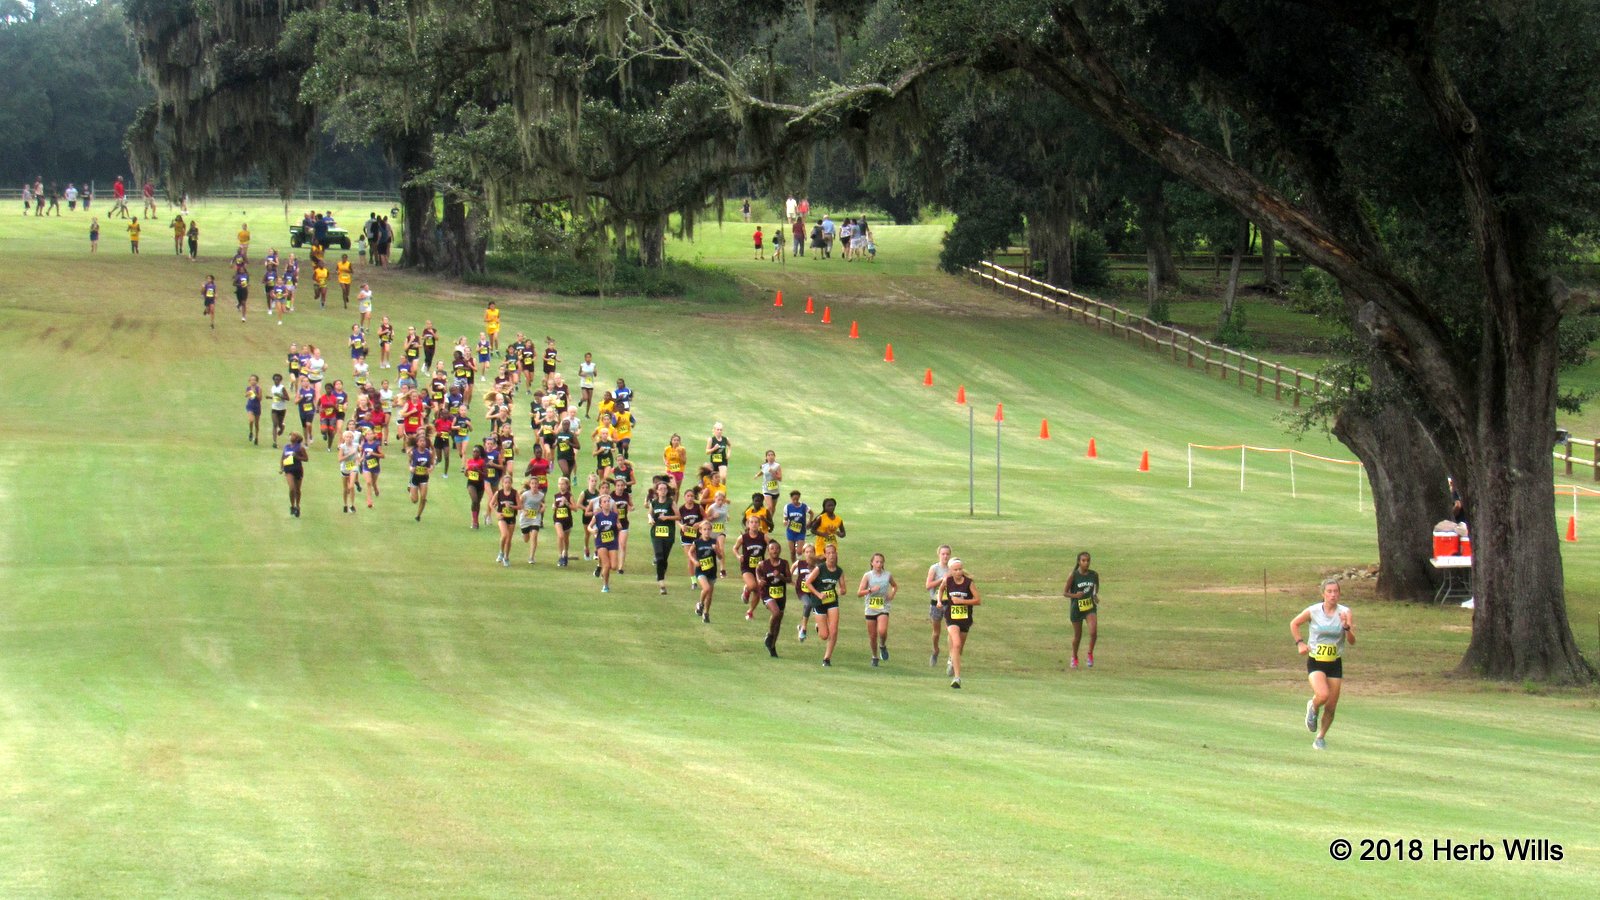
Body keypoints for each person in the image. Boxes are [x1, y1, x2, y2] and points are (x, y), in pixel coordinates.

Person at [1291, 578, 1356, 751]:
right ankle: (1313, 705)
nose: (1333, 595)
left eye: (1336, 591)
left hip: (1335, 662)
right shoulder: (1313, 611)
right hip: (1316, 660)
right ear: (1323, 594)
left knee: (1331, 706)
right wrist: (1300, 643)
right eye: (1329, 592)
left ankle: (1320, 737)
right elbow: (1294, 623)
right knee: (1323, 694)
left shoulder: (1345, 612)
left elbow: (1352, 641)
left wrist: (1346, 627)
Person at [937, 558, 982, 688]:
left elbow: (978, 600)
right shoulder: (948, 581)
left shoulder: (968, 583)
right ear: (950, 570)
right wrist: (939, 601)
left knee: (959, 648)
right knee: (956, 644)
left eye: (960, 569)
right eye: (955, 570)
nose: (958, 572)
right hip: (951, 617)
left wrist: (962, 601)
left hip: (965, 619)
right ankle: (957, 678)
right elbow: (940, 590)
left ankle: (952, 660)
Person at [805, 542, 845, 666]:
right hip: (818, 602)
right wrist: (818, 594)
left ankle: (826, 659)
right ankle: (819, 627)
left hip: (832, 601)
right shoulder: (820, 568)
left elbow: (843, 588)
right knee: (824, 635)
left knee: (834, 631)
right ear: (825, 555)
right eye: (829, 553)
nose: (831, 555)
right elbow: (808, 583)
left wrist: (842, 590)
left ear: (836, 554)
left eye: (833, 553)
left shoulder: (839, 571)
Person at [858, 552, 897, 666]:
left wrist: (892, 595)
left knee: (882, 630)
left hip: (883, 607)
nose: (879, 564)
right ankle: (874, 656)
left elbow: (895, 586)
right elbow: (859, 593)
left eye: (881, 562)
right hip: (870, 608)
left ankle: (882, 645)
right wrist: (870, 590)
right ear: (872, 563)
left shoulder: (887, 575)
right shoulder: (868, 576)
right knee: (873, 636)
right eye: (877, 562)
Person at [1063, 551, 1100, 669]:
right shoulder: (1073, 575)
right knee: (1077, 636)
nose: (1086, 563)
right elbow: (1065, 593)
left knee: (1093, 632)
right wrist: (1075, 596)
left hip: (1089, 608)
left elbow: (1095, 588)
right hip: (1076, 609)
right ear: (1079, 562)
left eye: (1088, 560)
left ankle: (1090, 654)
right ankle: (1074, 656)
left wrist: (1095, 596)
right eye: (1083, 561)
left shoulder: (1094, 575)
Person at [756, 542, 790, 657]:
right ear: (768, 551)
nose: (774, 550)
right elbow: (757, 570)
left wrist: (780, 576)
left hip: (780, 595)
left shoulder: (784, 564)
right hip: (767, 593)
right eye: (772, 548)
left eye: (777, 548)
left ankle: (772, 646)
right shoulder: (763, 564)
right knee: (775, 612)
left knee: (778, 621)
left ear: (780, 550)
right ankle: (770, 635)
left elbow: (789, 579)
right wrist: (759, 580)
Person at [735, 516, 770, 620]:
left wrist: (767, 559)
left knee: (758, 590)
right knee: (752, 585)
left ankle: (750, 611)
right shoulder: (743, 537)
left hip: (759, 568)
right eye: (752, 522)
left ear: (759, 524)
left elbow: (772, 546)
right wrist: (738, 556)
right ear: (748, 524)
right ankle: (746, 589)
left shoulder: (763, 537)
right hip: (747, 567)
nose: (754, 524)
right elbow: (735, 548)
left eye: (756, 522)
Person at [647, 480, 678, 595]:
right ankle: (662, 584)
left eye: (665, 489)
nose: (663, 491)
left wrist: (667, 518)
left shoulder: (671, 502)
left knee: (664, 558)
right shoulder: (654, 503)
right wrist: (650, 519)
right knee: (659, 557)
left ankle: (660, 573)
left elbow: (678, 516)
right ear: (657, 491)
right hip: (656, 533)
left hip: (668, 534)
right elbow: (650, 513)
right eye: (660, 489)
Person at [925, 544, 952, 667]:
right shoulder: (934, 568)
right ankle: (935, 650)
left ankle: (951, 657)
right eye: (943, 554)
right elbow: (928, 585)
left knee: (951, 631)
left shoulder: (953, 568)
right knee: (936, 632)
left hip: (949, 603)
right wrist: (942, 580)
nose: (945, 556)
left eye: (947, 554)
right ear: (939, 555)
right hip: (936, 603)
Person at [690, 519, 722, 622]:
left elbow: (720, 556)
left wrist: (716, 549)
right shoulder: (697, 542)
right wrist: (694, 561)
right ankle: (700, 603)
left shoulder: (714, 541)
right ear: (700, 530)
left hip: (711, 571)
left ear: (711, 530)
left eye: (709, 529)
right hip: (701, 571)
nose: (707, 531)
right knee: (706, 588)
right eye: (704, 529)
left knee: (710, 595)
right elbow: (690, 553)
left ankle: (706, 613)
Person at [590, 493, 621, 592]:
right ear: (601, 505)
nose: (607, 503)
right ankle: (605, 586)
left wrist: (619, 526)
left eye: (608, 501)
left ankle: (604, 573)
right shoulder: (597, 516)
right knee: (606, 565)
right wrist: (592, 530)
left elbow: (618, 525)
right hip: (601, 542)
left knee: (614, 566)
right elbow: (589, 526)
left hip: (612, 542)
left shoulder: (615, 515)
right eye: (605, 502)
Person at [281, 432, 310, 517]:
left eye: (292, 435)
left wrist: (296, 456)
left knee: (297, 490)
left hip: (297, 469)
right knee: (292, 488)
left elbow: (306, 458)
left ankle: (298, 505)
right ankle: (292, 505)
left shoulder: (300, 448)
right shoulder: (286, 447)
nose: (290, 436)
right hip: (288, 469)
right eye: (290, 435)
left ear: (297, 438)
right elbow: (283, 457)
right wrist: (281, 467)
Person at [793, 543, 817, 642]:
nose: (809, 554)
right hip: (802, 591)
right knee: (808, 604)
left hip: (814, 591)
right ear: (803, 553)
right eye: (806, 552)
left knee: (815, 606)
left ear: (814, 553)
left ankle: (816, 624)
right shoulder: (799, 563)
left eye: (811, 552)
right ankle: (804, 629)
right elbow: (790, 570)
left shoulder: (817, 566)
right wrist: (790, 580)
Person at [493, 477, 519, 566]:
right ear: (502, 483)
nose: (507, 484)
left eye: (509, 482)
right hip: (502, 517)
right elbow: (491, 504)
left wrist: (511, 507)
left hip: (511, 518)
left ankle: (506, 557)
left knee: (509, 539)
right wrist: (496, 513)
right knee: (504, 535)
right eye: (505, 482)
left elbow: (520, 506)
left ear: (511, 483)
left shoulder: (515, 493)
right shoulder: (499, 493)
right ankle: (501, 552)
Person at [520, 477, 546, 565]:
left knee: (534, 536)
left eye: (536, 483)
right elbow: (519, 504)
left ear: (538, 485)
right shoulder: (525, 494)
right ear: (530, 485)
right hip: (525, 518)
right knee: (526, 539)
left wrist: (542, 509)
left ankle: (531, 557)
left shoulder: (541, 495)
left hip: (536, 517)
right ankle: (523, 534)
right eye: (532, 483)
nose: (534, 485)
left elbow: (543, 504)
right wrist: (524, 511)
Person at [408, 433, 434, 521]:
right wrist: (411, 468)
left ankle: (418, 516)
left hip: (424, 477)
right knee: (415, 500)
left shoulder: (428, 453)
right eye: (421, 441)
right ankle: (411, 492)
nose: (423, 443)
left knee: (423, 498)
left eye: (424, 441)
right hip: (415, 477)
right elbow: (410, 463)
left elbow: (431, 464)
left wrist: (430, 469)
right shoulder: (413, 452)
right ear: (417, 443)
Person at [551, 475, 575, 566]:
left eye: (563, 484)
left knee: (566, 539)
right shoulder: (556, 495)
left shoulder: (569, 496)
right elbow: (554, 506)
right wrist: (554, 506)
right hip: (557, 519)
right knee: (560, 536)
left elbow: (575, 508)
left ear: (567, 485)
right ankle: (560, 556)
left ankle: (565, 554)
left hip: (567, 520)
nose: (561, 486)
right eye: (559, 484)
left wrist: (567, 503)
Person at [338, 429, 362, 513]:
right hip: (345, 468)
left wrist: (359, 460)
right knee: (345, 489)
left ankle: (352, 505)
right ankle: (345, 504)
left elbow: (358, 455)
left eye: (350, 437)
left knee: (351, 486)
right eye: (347, 437)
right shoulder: (342, 447)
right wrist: (349, 454)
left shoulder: (356, 445)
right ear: (344, 438)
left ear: (353, 438)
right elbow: (340, 459)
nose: (349, 438)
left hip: (353, 467)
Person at [782, 491, 809, 560]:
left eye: (797, 499)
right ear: (791, 498)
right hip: (790, 532)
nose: (795, 501)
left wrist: (810, 522)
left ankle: (798, 564)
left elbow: (811, 513)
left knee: (799, 551)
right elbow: (785, 518)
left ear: (799, 498)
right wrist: (785, 522)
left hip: (801, 532)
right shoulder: (787, 507)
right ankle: (794, 566)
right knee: (792, 551)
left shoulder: (803, 506)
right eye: (794, 499)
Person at [757, 449, 782, 515]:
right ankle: (766, 520)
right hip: (766, 489)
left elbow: (780, 479)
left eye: (772, 455)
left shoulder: (777, 466)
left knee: (773, 508)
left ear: (774, 456)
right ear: (766, 457)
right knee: (769, 507)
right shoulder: (764, 466)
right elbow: (762, 471)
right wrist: (757, 475)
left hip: (775, 490)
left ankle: (770, 520)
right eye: (769, 455)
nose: (770, 456)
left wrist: (773, 473)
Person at [268, 373, 288, 447]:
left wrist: (281, 396)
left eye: (278, 379)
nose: (276, 381)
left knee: (280, 424)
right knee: (275, 424)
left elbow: (287, 398)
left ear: (280, 380)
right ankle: (274, 442)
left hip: (282, 409)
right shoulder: (273, 388)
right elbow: (274, 397)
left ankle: (282, 427)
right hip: (274, 408)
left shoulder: (282, 388)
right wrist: (270, 397)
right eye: (275, 379)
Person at [245, 375, 263, 445]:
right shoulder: (248, 388)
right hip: (250, 406)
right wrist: (249, 392)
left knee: (257, 423)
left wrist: (255, 393)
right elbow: (246, 395)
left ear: (257, 381)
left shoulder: (259, 389)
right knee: (251, 420)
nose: (253, 381)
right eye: (251, 380)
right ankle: (251, 432)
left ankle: (256, 437)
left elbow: (260, 399)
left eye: (254, 380)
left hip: (257, 407)